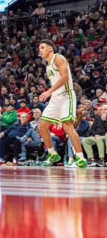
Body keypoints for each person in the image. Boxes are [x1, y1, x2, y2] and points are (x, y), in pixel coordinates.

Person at [37, 40, 87, 168]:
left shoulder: (58, 58)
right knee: (42, 126)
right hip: (55, 98)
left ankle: (80, 158)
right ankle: (52, 153)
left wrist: (48, 91)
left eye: (42, 47)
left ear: (50, 49)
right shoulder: (47, 64)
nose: (40, 50)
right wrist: (51, 93)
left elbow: (64, 78)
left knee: (67, 125)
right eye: (39, 48)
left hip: (66, 96)